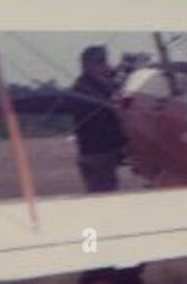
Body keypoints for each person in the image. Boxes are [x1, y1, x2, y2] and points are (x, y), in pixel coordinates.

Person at [14, 45, 127, 192]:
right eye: (101, 62)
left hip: (108, 154)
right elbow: (54, 103)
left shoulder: (103, 86)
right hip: (96, 156)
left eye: (105, 61)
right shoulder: (85, 90)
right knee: (102, 198)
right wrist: (14, 105)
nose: (106, 66)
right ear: (88, 65)